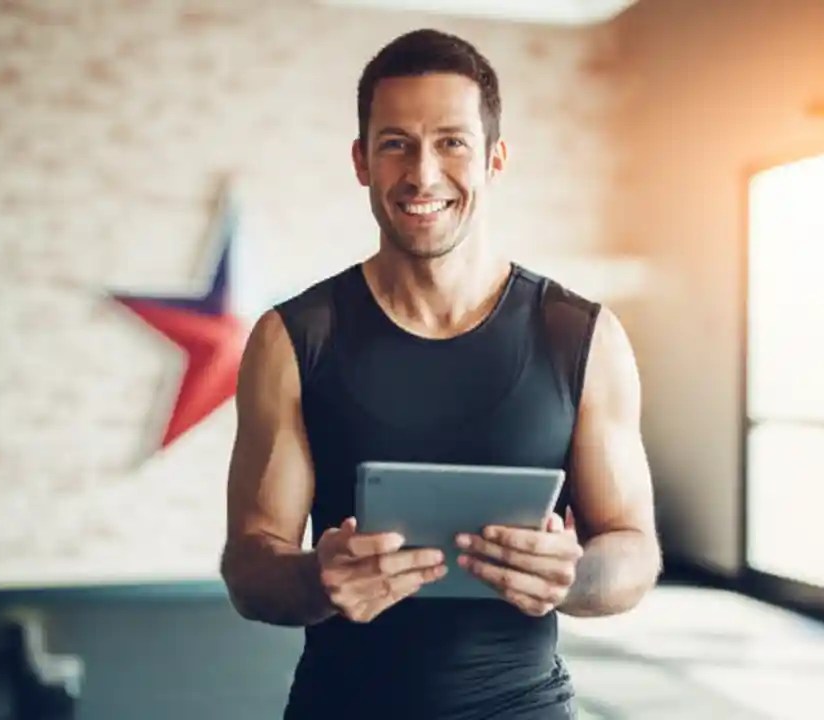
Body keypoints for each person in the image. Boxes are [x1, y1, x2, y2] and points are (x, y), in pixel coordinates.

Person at [220, 28, 662, 720]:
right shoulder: (292, 339)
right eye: (396, 143)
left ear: (495, 159)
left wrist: (571, 575)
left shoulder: (583, 337)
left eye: (452, 141)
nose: (423, 174)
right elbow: (250, 566)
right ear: (362, 161)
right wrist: (317, 578)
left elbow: (635, 549)